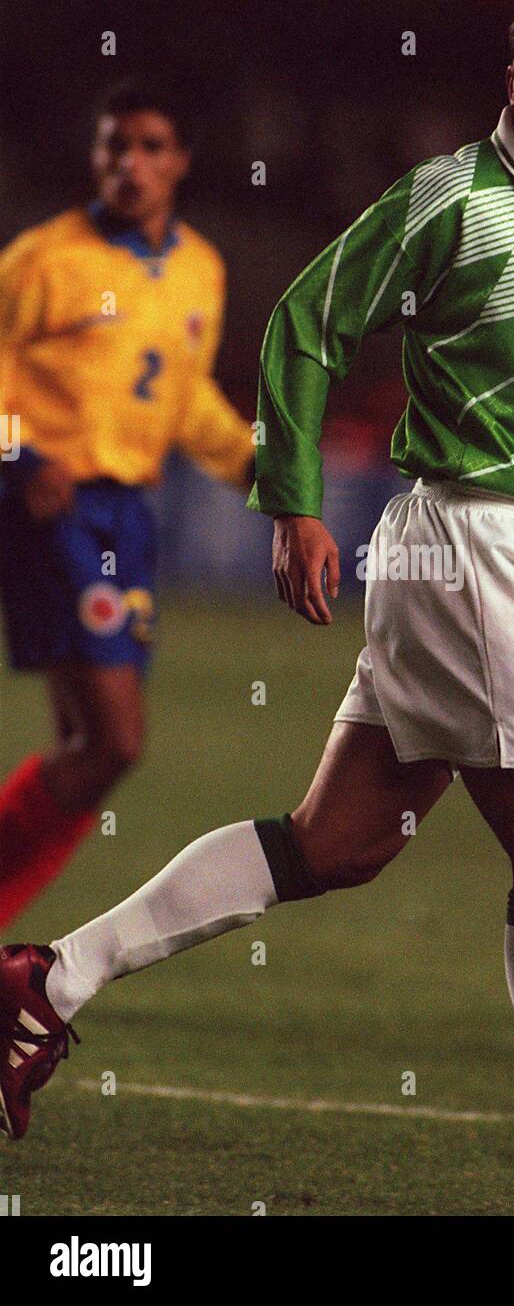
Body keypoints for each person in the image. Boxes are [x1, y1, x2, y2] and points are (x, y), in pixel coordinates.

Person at [0, 0, 514, 1217]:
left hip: (503, 546)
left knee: (336, 841)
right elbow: (307, 321)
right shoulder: (449, 197)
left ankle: (45, 981)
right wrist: (293, 502)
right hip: (467, 542)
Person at [0, 82, 255, 927]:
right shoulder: (43, 260)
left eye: (150, 147)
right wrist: (20, 454)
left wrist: (257, 466)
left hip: (129, 517)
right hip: (53, 508)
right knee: (115, 740)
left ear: (180, 161)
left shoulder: (199, 268)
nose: (130, 164)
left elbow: (186, 399)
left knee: (91, 750)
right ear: (96, 155)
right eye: (116, 145)